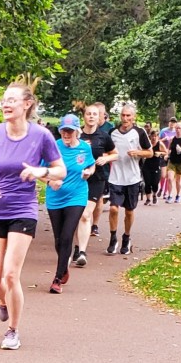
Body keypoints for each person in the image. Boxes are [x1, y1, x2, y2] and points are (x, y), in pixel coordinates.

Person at [0, 78, 65, 349]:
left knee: (10, 275)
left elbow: (60, 171)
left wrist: (41, 171)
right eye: (4, 100)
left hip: (22, 210)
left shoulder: (41, 136)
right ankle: (5, 301)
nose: (6, 104)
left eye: (12, 100)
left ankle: (12, 330)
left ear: (27, 104)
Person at [46, 113, 95, 293]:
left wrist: (89, 172)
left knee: (67, 235)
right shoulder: (53, 147)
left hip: (77, 196)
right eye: (63, 131)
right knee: (59, 240)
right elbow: (42, 170)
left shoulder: (84, 148)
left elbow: (91, 164)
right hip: (55, 198)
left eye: (70, 131)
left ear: (77, 131)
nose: (66, 134)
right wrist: (50, 181)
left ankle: (57, 279)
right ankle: (64, 267)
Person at [94, 103, 152, 255]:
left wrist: (138, 153)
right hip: (115, 177)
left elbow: (150, 152)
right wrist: (104, 157)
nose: (125, 118)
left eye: (128, 116)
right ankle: (113, 238)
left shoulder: (139, 132)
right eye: (123, 115)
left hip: (133, 178)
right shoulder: (112, 133)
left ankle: (126, 237)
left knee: (129, 211)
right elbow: (107, 151)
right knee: (113, 208)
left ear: (134, 117)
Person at [72, 102, 113, 267]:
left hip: (97, 179)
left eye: (95, 114)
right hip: (77, 179)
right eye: (88, 114)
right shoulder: (76, 135)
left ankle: (82, 251)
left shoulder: (103, 136)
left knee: (85, 214)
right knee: (76, 214)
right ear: (84, 116)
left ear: (99, 117)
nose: (91, 117)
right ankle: (77, 246)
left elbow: (115, 154)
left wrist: (106, 158)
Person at [140, 130, 165, 205]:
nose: (154, 138)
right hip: (147, 165)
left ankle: (154, 194)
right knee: (147, 183)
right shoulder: (148, 144)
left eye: (155, 136)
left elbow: (166, 152)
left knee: (155, 183)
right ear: (150, 137)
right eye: (152, 136)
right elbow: (142, 151)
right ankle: (148, 199)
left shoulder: (160, 144)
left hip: (156, 165)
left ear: (158, 137)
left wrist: (160, 153)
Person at [157, 116, 178, 201]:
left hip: (172, 155)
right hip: (163, 154)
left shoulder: (176, 132)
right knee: (163, 175)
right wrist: (164, 139)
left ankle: (165, 192)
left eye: (174, 122)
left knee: (169, 176)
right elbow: (158, 141)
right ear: (169, 123)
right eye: (171, 122)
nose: (172, 124)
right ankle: (161, 188)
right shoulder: (164, 131)